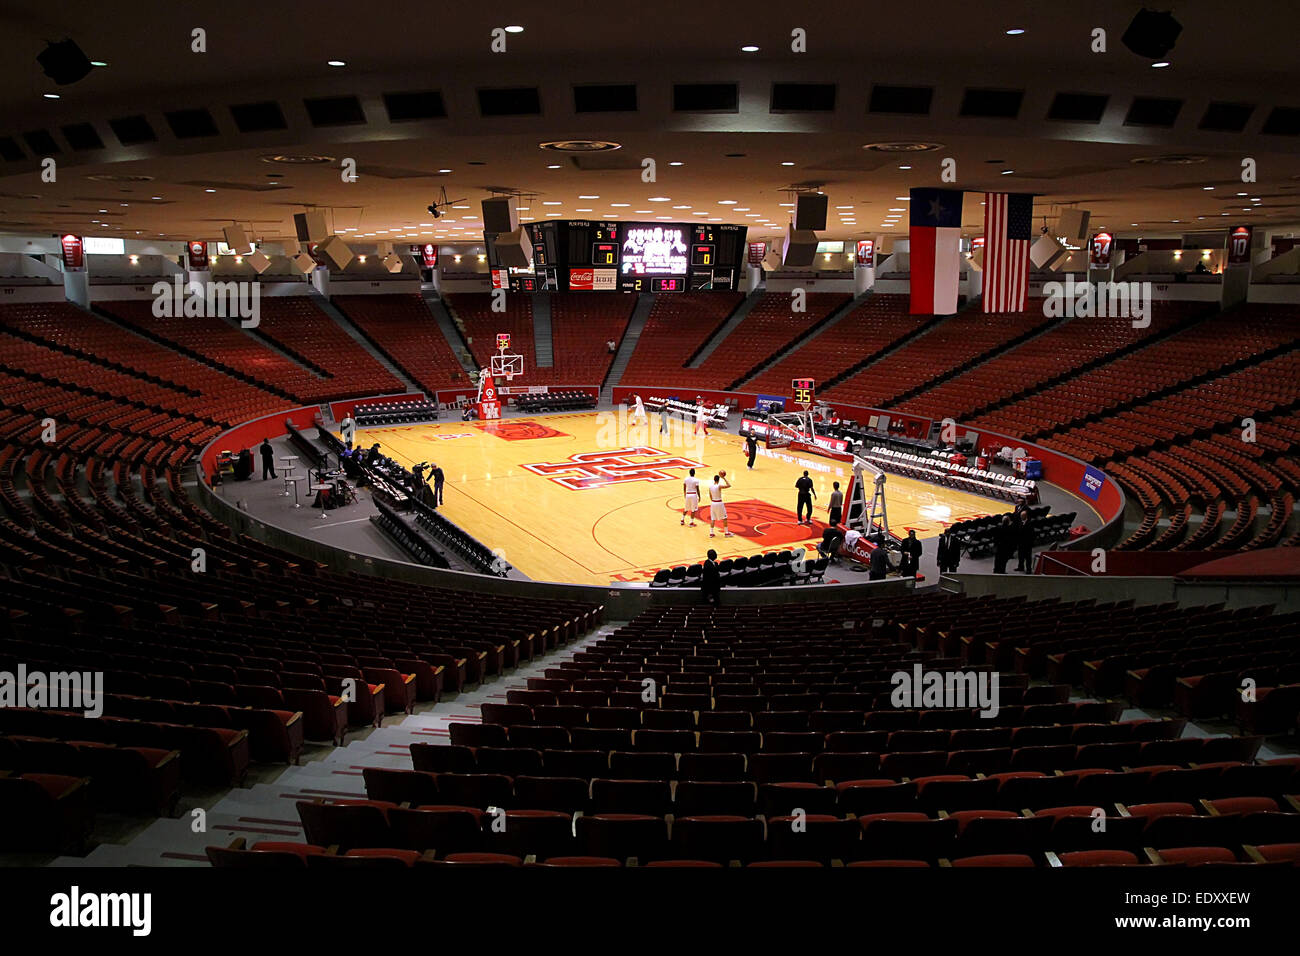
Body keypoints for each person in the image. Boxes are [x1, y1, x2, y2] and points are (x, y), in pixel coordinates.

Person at [708, 472, 732, 538]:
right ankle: (726, 533)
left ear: (714, 479)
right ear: (718, 480)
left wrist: (714, 501)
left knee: (713, 518)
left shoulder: (710, 487)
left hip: (713, 503)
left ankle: (711, 533)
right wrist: (724, 478)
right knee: (724, 518)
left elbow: (710, 496)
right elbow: (729, 485)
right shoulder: (719, 486)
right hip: (719, 503)